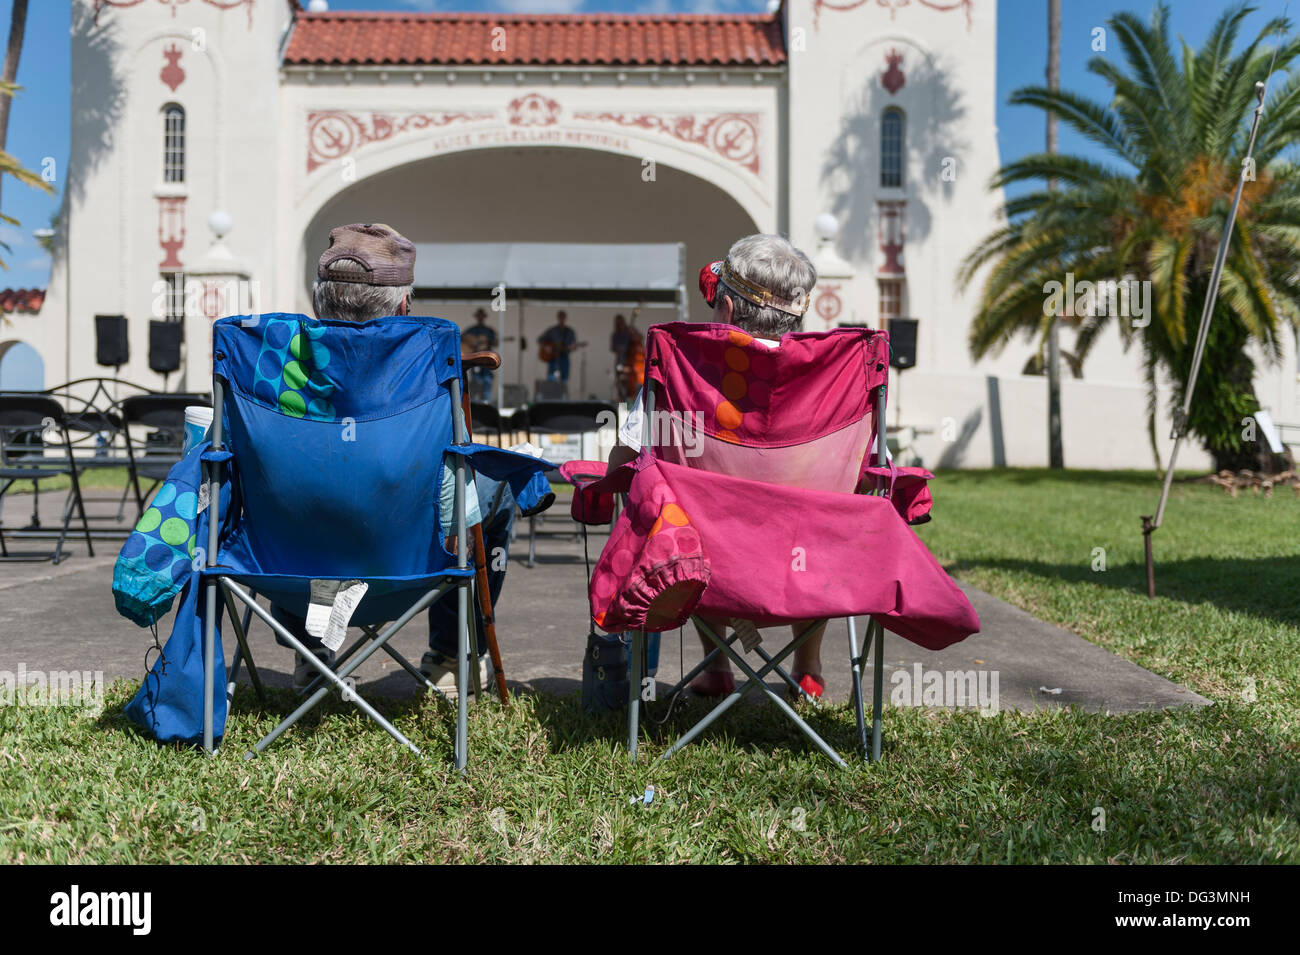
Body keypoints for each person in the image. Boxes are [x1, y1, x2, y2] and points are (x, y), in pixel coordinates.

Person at [279, 222, 550, 696]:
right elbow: (458, 473)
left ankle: (311, 652)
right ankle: (451, 657)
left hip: (288, 576)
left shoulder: (266, 359)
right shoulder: (428, 359)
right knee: (495, 486)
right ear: (404, 305)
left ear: (320, 301)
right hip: (406, 573)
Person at [606, 234, 827, 701]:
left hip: (705, 571)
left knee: (686, 511)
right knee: (816, 517)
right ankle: (808, 667)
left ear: (725, 311)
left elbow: (623, 461)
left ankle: (716, 666)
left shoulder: (683, 371)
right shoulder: (833, 377)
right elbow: (872, 473)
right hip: (807, 572)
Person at [463, 307, 498, 403]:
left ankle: (487, 401)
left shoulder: (489, 330)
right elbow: (462, 338)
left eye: (481, 316)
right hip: (475, 358)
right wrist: (471, 344)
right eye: (479, 316)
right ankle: (475, 401)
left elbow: (495, 342)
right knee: (476, 380)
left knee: (487, 379)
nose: (480, 318)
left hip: (486, 358)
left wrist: (491, 341)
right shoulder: (471, 330)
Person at [539, 310, 578, 383]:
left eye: (563, 317)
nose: (561, 319)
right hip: (553, 357)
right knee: (552, 376)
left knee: (564, 376)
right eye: (560, 317)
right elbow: (540, 339)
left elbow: (574, 345)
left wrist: (572, 347)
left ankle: (562, 392)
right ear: (558, 318)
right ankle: (551, 391)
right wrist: (547, 347)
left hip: (564, 356)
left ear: (566, 318)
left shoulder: (570, 331)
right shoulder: (552, 330)